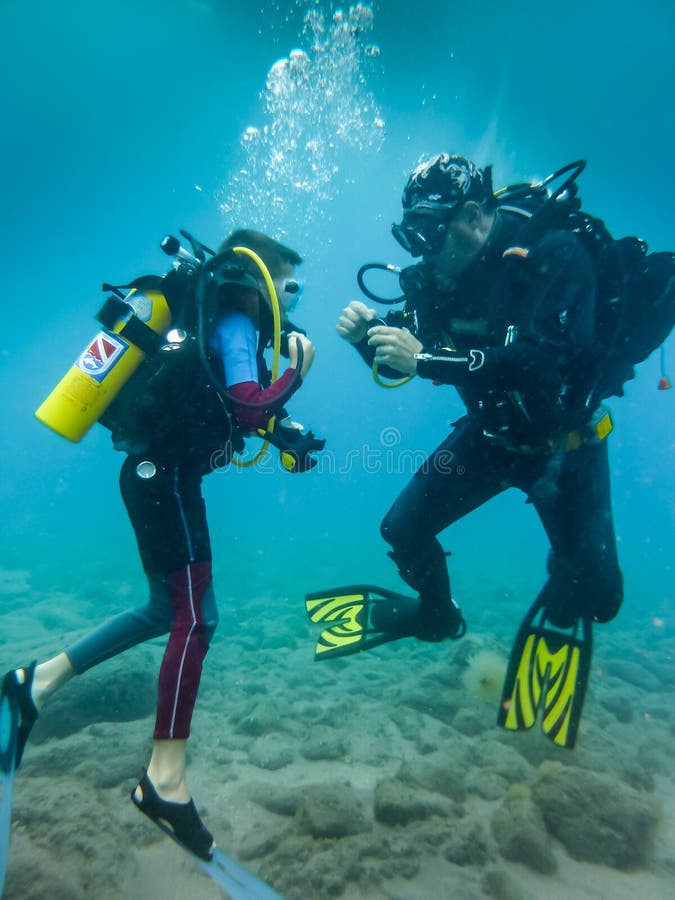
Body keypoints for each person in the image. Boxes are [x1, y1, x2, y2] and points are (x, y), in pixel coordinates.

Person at [2, 228, 316, 859]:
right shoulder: (233, 313)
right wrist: (297, 375)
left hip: (158, 475)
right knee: (195, 620)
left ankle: (32, 685)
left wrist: (288, 436)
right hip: (163, 479)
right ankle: (163, 782)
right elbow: (248, 404)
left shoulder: (223, 316)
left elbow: (230, 403)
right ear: (260, 275)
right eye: (287, 283)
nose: (290, 298)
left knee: (161, 610)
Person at [327, 153, 625, 747]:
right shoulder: (440, 277)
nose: (420, 248)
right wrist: (370, 341)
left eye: (428, 230)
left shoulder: (553, 255)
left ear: (471, 215)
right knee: (402, 530)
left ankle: (566, 585)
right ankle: (437, 614)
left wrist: (428, 360)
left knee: (600, 597)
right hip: (488, 438)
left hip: (564, 446)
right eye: (410, 232)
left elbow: (540, 364)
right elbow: (405, 359)